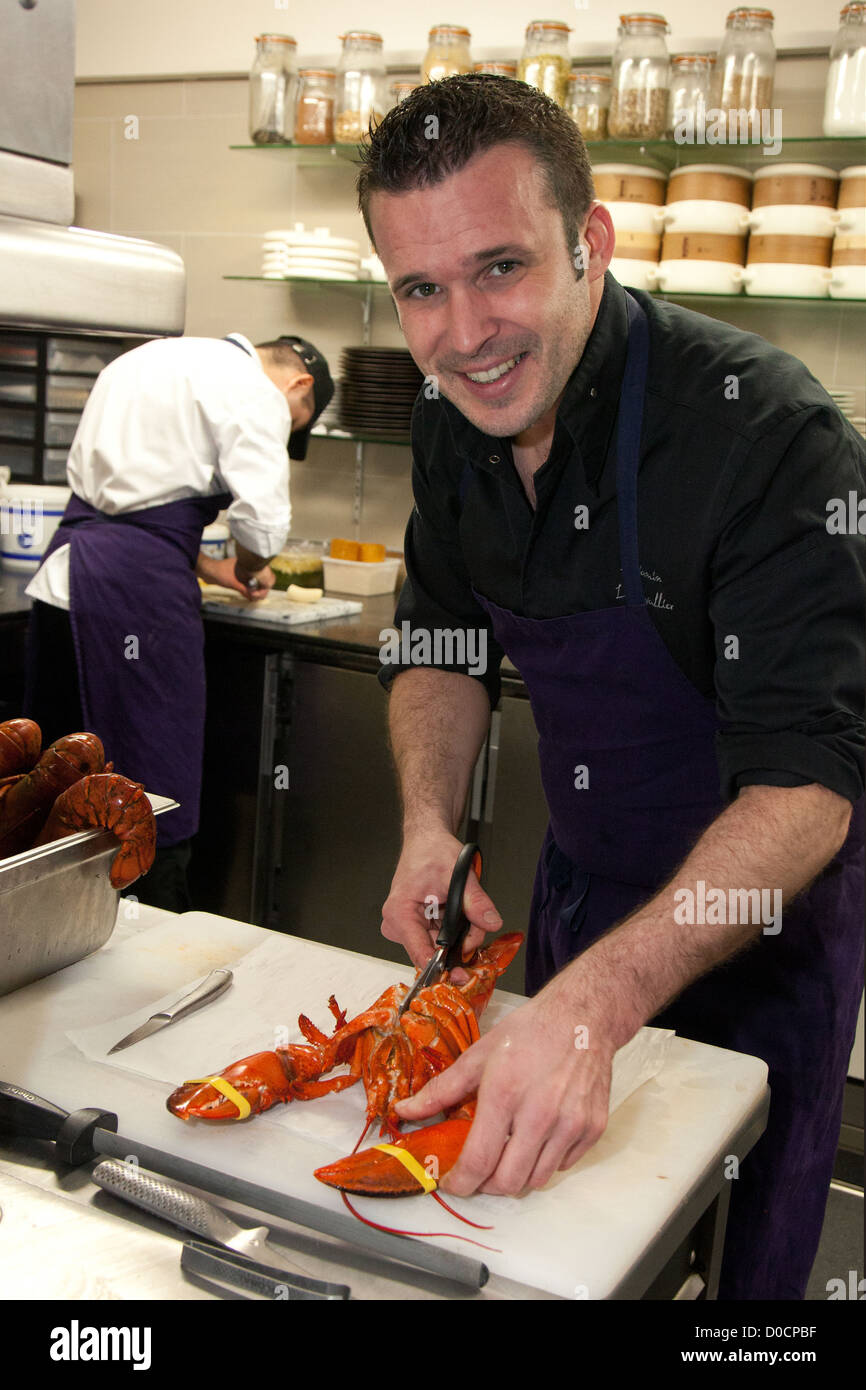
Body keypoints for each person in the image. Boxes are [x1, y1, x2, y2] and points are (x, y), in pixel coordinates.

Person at [359, 75, 865, 1300]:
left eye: (499, 267)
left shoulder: (763, 436)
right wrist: (430, 824)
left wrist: (595, 1003)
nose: (463, 330)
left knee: (728, 1269)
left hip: (761, 930)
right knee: (561, 1249)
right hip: (579, 893)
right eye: (421, 288)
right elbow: (437, 639)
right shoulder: (446, 415)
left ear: (591, 244)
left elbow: (807, 788)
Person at [23, 330, 333, 910]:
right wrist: (249, 563)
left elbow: (132, 506)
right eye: (298, 421)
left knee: (53, 779)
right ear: (300, 384)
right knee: (150, 775)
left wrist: (215, 569)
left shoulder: (149, 358)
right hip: (134, 597)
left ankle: (45, 930)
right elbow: (264, 527)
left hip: (65, 576)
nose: (286, 427)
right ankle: (152, 938)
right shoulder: (254, 388)